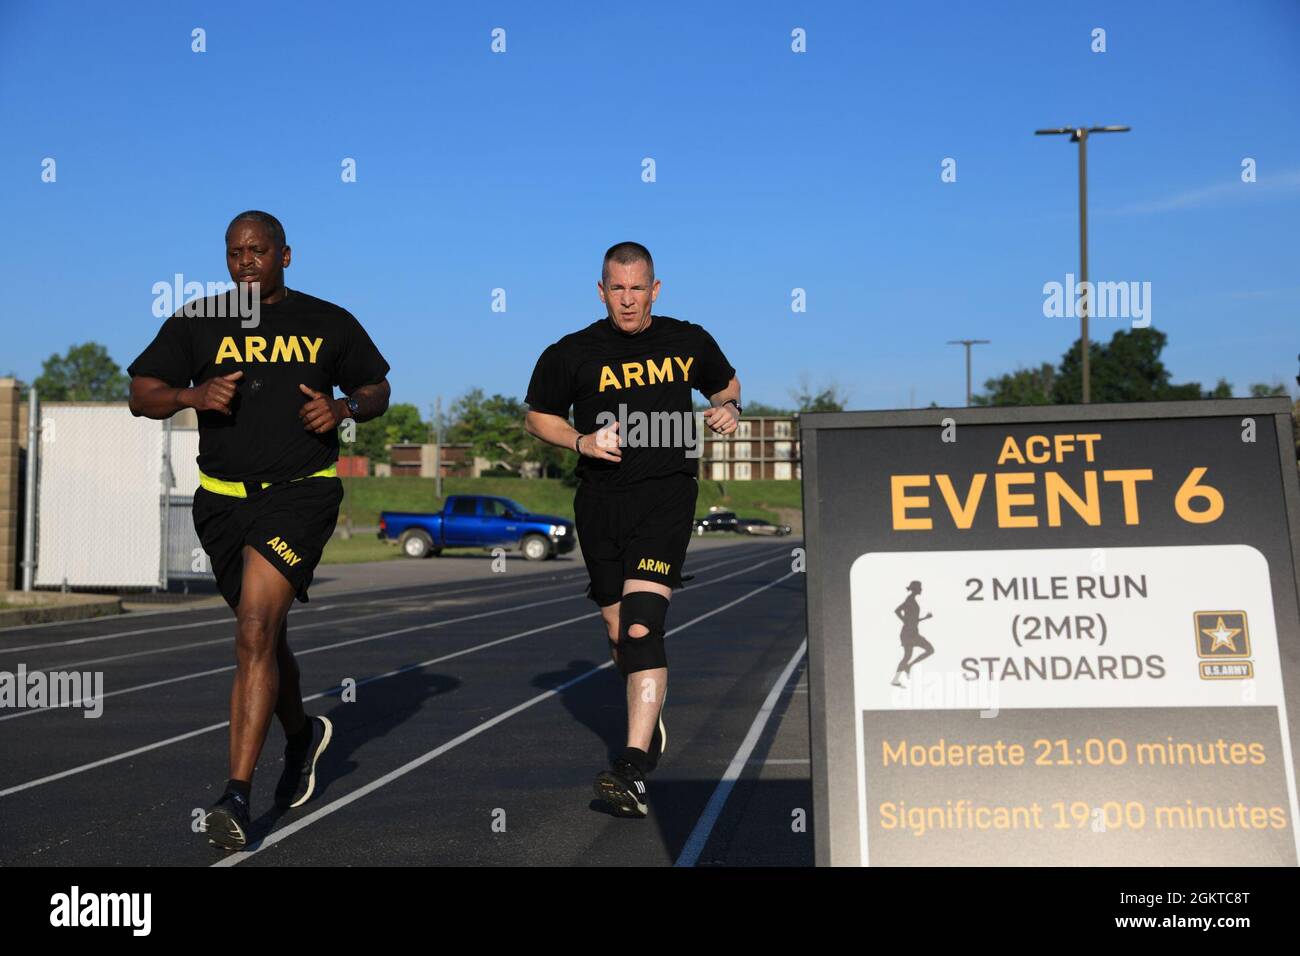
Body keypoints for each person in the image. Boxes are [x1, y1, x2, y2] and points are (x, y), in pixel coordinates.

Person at [127, 211, 391, 849]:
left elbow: (377, 387)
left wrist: (345, 407)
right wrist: (192, 396)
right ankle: (301, 734)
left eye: (258, 251)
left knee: (252, 631)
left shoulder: (327, 320)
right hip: (220, 503)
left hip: (300, 495)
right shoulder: (198, 320)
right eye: (235, 252)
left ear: (285, 255)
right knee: (263, 636)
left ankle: (235, 798)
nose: (246, 262)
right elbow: (141, 392)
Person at [524, 241, 740, 817]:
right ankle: (650, 719)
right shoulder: (570, 352)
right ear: (601, 291)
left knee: (644, 630)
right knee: (621, 636)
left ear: (655, 289)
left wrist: (729, 409)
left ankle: (634, 765)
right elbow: (537, 414)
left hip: (666, 498)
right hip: (599, 505)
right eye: (616, 289)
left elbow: (727, 385)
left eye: (636, 288)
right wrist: (580, 440)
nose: (627, 299)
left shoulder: (688, 340)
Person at [891, 580, 934, 686]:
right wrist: (904, 621)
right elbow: (897, 610)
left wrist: (924, 618)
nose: (921, 589)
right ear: (916, 589)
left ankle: (897, 678)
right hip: (909, 634)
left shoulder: (911, 600)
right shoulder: (910, 600)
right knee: (929, 650)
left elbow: (913, 620)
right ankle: (907, 668)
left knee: (907, 656)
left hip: (911, 633)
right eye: (920, 587)